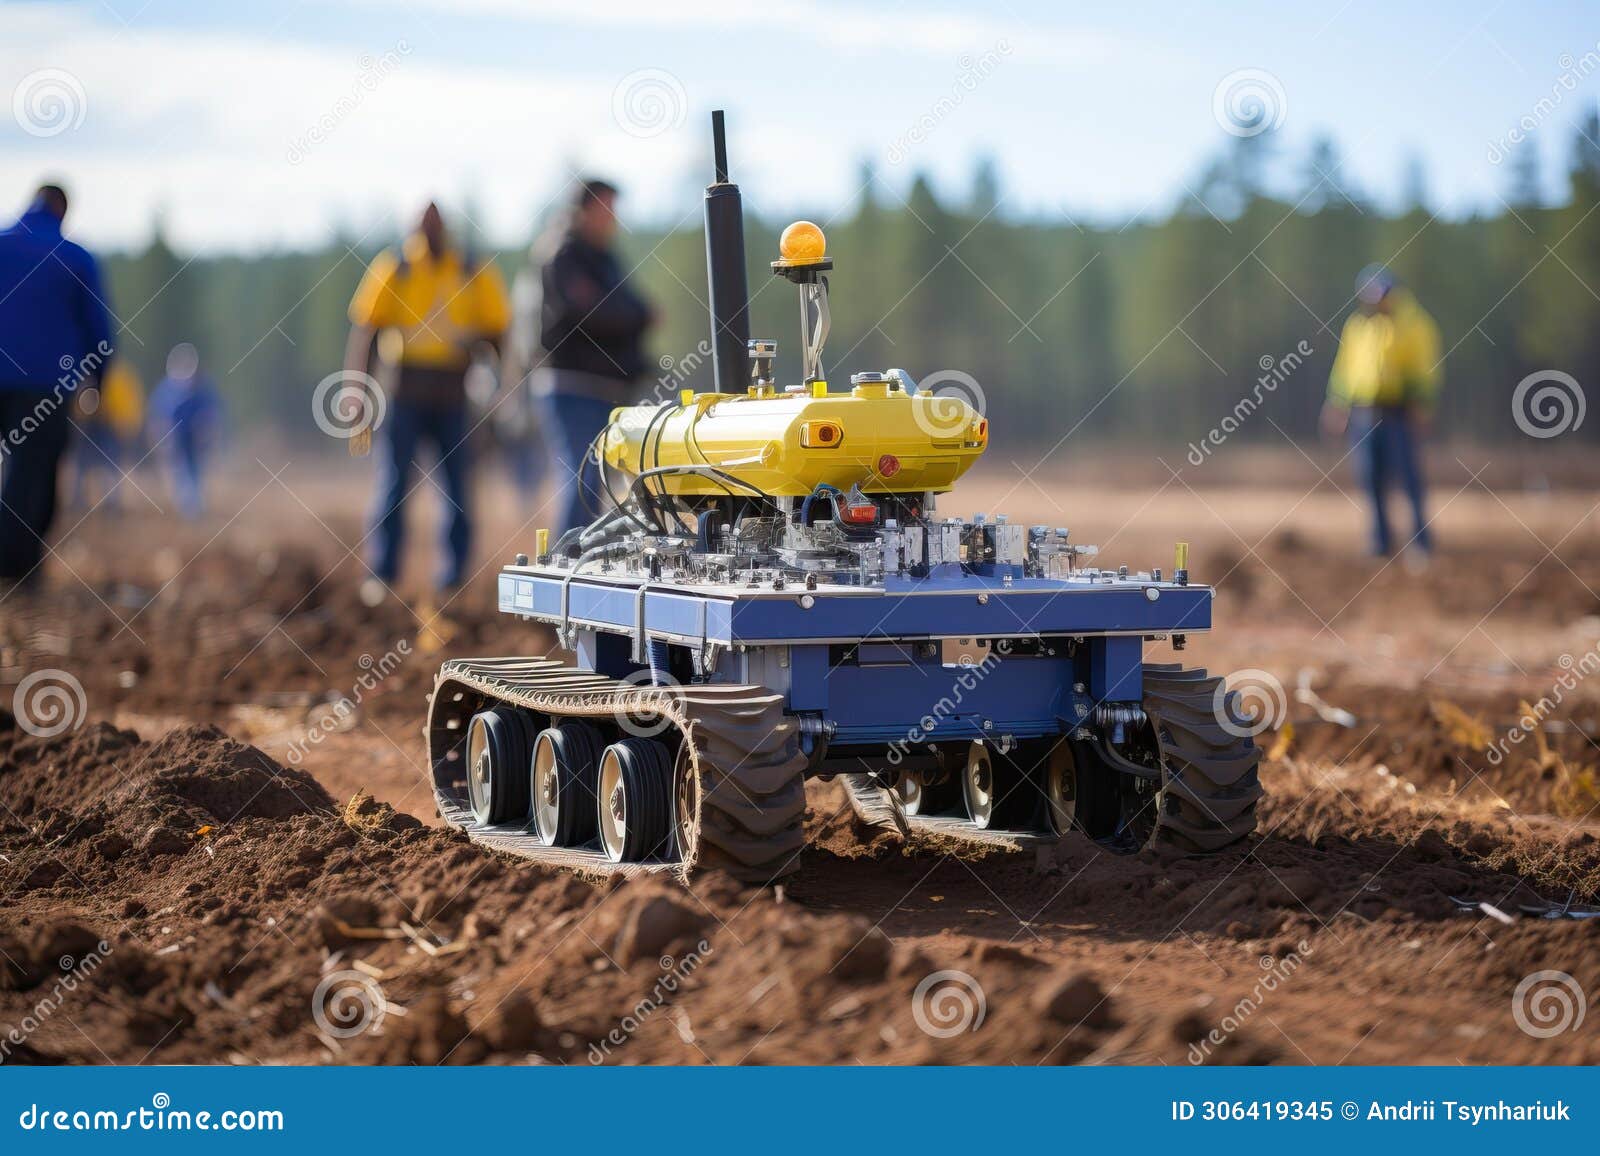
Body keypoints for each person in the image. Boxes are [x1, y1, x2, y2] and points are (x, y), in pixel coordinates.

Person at [344, 202, 509, 593]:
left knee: (457, 487)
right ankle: (381, 575)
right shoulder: (395, 268)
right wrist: (357, 390)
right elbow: (367, 331)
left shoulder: (471, 269)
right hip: (406, 393)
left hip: (454, 395)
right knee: (394, 484)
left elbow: (498, 330)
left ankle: (453, 578)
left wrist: (500, 385)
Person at [0, 183, 115, 587]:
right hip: (44, 387)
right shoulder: (74, 257)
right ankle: (16, 568)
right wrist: (98, 382)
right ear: (62, 211)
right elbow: (98, 331)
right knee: (34, 474)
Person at [528, 179, 654, 535]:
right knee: (582, 479)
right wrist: (640, 316)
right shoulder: (563, 254)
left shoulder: (605, 258)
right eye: (606, 209)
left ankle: (582, 559)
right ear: (583, 211)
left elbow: (626, 307)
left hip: (604, 389)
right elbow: (596, 311)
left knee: (600, 481)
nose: (612, 218)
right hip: (570, 385)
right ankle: (567, 561)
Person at [1322, 264, 1442, 562]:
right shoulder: (1357, 326)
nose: (1376, 302)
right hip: (1363, 413)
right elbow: (1345, 368)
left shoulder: (1414, 324)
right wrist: (1337, 402)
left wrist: (1422, 401)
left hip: (1399, 411)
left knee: (1408, 476)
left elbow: (1425, 365)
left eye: (1381, 296)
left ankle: (1420, 542)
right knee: (1370, 477)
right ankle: (1380, 541)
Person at [148, 343, 221, 519]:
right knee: (180, 470)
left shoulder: (202, 388)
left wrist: (208, 433)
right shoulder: (166, 390)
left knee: (194, 469)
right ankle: (188, 506)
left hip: (194, 439)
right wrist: (162, 439)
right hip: (176, 438)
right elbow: (159, 416)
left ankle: (193, 505)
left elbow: (211, 413)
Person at [71, 356, 145, 512]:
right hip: (88, 426)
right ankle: (79, 499)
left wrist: (127, 424)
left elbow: (128, 403)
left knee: (110, 464)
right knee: (84, 463)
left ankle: (111, 502)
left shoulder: (118, 376)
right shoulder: (83, 373)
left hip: (111, 427)